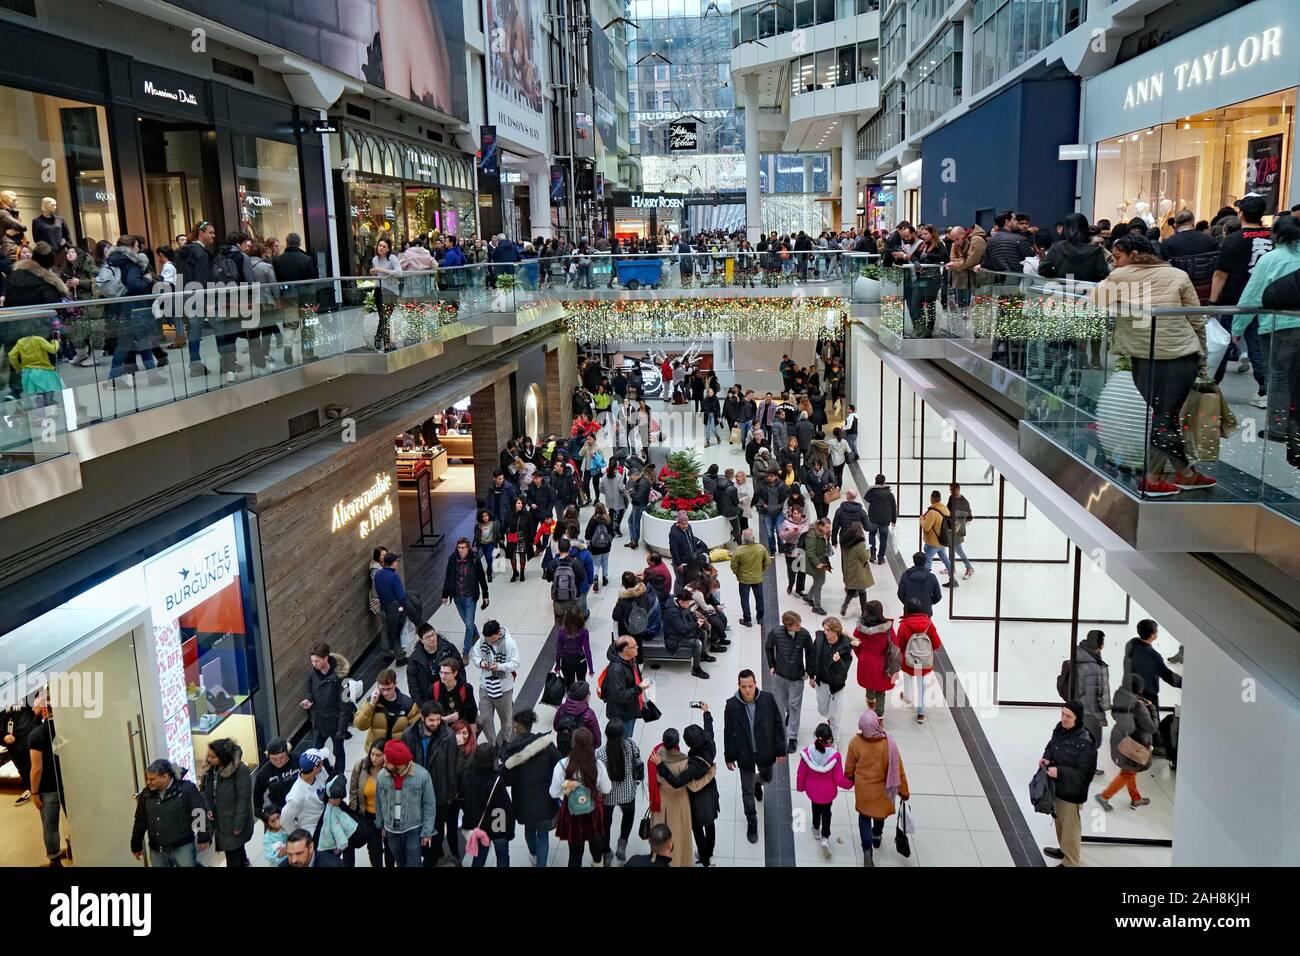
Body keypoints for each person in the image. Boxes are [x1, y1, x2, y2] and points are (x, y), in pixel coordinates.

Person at [1090, 233, 1211, 497]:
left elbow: (1095, 301)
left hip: (1143, 357)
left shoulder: (1119, 277)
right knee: (1165, 416)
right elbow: (1196, 320)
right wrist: (1203, 358)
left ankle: (1170, 475)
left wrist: (1119, 286)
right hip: (1182, 356)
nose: (1115, 262)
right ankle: (1169, 476)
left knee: (1163, 415)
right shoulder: (1177, 275)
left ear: (1133, 254)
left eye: (1118, 257)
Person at [1211, 194, 1271, 405]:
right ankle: (1264, 389)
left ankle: (1211, 385)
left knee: (1222, 342)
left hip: (1233, 300)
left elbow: (1221, 274)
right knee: (1258, 344)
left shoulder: (1234, 240)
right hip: (1266, 301)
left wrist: (1212, 301)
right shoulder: (1273, 238)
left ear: (1241, 213)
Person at [651, 709, 720, 867]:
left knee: (697, 829)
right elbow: (709, 729)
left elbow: (677, 782)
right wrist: (707, 713)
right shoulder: (710, 743)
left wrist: (660, 765)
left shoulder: (692, 765)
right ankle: (710, 851)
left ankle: (704, 857)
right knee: (710, 823)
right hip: (711, 792)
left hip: (698, 800)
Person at [724, 670, 786, 845]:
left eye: (750, 686)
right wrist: (729, 756)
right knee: (746, 792)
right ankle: (752, 821)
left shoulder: (767, 699)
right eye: (744, 687)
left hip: (765, 749)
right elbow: (729, 732)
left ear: (755, 683)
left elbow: (778, 724)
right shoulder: (732, 705)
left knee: (767, 777)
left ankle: (757, 781)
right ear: (739, 686)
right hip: (744, 754)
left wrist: (781, 751)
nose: (747, 690)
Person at [844, 710, 909, 866]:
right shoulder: (889, 744)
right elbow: (898, 769)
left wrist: (850, 777)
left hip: (864, 791)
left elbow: (849, 769)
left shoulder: (855, 743)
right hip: (883, 791)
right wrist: (904, 792)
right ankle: (877, 835)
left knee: (864, 817)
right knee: (878, 815)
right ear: (877, 724)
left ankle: (867, 850)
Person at [1039, 702, 1098, 867]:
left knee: (1070, 827)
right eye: (1062, 714)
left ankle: (1071, 862)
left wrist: (1060, 772)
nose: (1064, 718)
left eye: (1068, 716)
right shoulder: (1060, 728)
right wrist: (1047, 757)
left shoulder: (1085, 741)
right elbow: (1052, 745)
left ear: (1077, 718)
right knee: (1059, 822)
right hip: (1057, 787)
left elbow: (1085, 774)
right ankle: (1064, 849)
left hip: (1071, 793)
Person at [402, 701, 460, 865]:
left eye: (438, 720)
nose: (435, 723)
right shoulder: (409, 735)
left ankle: (433, 858)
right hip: (415, 793)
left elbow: (451, 766)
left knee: (437, 831)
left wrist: (450, 794)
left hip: (439, 795)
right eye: (431, 720)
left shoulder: (447, 736)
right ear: (422, 717)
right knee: (417, 830)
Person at [501, 708, 561, 867]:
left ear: (517, 727)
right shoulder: (546, 744)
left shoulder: (510, 750)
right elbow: (559, 765)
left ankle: (534, 854)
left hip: (523, 801)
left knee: (529, 830)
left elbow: (507, 780)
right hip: (545, 800)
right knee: (543, 835)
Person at [549, 726, 612, 867]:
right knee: (596, 843)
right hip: (593, 811)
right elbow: (607, 789)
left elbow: (554, 792)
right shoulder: (598, 766)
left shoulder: (561, 766)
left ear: (572, 744)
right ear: (591, 744)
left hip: (572, 813)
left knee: (575, 854)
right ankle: (597, 863)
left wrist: (568, 790)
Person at [1095, 673, 1157, 813]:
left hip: (1119, 737)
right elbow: (1151, 727)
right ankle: (1104, 797)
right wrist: (1152, 709)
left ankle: (1136, 798)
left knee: (1129, 771)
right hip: (1135, 744)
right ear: (1139, 689)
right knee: (1128, 773)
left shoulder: (1119, 696)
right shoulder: (1139, 707)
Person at [131, 758, 209, 866]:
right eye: (147, 779)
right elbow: (140, 821)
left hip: (183, 847)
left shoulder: (186, 789)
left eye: (152, 779)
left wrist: (203, 837)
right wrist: (136, 844)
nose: (148, 782)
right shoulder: (146, 794)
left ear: (165, 777)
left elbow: (199, 812)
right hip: (158, 850)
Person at [796, 723, 854, 859]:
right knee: (827, 813)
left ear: (816, 736)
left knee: (815, 808)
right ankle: (825, 838)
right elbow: (839, 779)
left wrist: (800, 786)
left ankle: (815, 829)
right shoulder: (835, 756)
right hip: (828, 794)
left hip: (812, 791)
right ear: (830, 739)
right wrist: (850, 783)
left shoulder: (807, 752)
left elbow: (801, 772)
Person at [375, 739, 437, 867]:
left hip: (413, 829)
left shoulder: (422, 776)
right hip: (391, 830)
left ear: (398, 763)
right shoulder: (382, 776)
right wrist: (381, 824)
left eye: (387, 761)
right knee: (400, 862)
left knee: (413, 863)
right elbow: (379, 801)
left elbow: (429, 805)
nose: (384, 763)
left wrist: (427, 831)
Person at [200, 739, 254, 867]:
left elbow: (243, 799)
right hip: (220, 820)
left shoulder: (240, 771)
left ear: (223, 757)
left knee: (232, 854)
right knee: (236, 849)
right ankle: (244, 861)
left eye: (213, 756)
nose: (208, 759)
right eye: (208, 755)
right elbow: (203, 789)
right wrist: (208, 808)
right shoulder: (209, 770)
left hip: (232, 820)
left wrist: (238, 824)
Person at [765, 611, 813, 754]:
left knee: (794, 706)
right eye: (796, 624)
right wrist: (771, 665)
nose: (800, 626)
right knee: (784, 702)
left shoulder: (804, 635)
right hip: (780, 675)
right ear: (788, 626)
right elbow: (768, 647)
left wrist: (811, 674)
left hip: (797, 677)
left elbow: (810, 653)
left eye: (800, 622)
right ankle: (788, 715)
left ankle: (792, 737)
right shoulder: (776, 633)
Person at [596, 717, 642, 863]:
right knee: (628, 816)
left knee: (605, 823)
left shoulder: (601, 753)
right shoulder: (631, 745)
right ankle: (622, 844)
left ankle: (606, 853)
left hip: (607, 795)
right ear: (623, 734)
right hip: (628, 792)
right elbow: (637, 763)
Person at [301, 642, 351, 775]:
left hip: (335, 723)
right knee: (315, 751)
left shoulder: (341, 678)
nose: (314, 664)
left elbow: (345, 706)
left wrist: (341, 730)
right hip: (319, 722)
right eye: (312, 661)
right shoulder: (312, 674)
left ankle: (339, 775)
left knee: (338, 751)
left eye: (316, 661)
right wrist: (308, 700)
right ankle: (328, 771)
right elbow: (310, 692)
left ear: (325, 658)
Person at [460, 742, 513, 867]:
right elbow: (505, 806)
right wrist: (510, 829)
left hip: (478, 823)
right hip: (498, 822)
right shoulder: (496, 780)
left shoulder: (467, 775)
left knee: (479, 856)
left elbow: (465, 801)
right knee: (503, 856)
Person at [474, 619, 521, 747]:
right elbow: (475, 655)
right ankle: (492, 744)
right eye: (486, 638)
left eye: (491, 638)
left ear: (498, 632)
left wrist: (500, 666)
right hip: (486, 686)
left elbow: (516, 663)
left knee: (506, 719)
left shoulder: (510, 643)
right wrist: (480, 663)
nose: (488, 641)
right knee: (485, 718)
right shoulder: (482, 641)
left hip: (503, 688)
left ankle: (506, 741)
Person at [895, 598, 941, 723]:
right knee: (922, 686)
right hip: (924, 662)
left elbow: (899, 644)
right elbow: (937, 644)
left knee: (908, 678)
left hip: (909, 661)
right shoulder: (929, 624)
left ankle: (907, 697)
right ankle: (921, 713)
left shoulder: (904, 625)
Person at [442, 537, 490, 654]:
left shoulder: (474, 560)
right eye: (459, 547)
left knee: (468, 624)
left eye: (463, 548)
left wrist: (485, 595)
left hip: (470, 597)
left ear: (468, 548)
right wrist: (445, 594)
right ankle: (476, 635)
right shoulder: (452, 560)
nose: (460, 550)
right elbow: (448, 578)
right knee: (466, 621)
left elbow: (481, 578)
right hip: (458, 597)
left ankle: (465, 651)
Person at [1071, 630, 1111, 770]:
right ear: (1099, 644)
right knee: (1093, 742)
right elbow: (1093, 697)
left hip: (1079, 706)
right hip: (1089, 711)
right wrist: (1101, 717)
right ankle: (1087, 768)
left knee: (1082, 739)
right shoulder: (1092, 667)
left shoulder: (1082, 654)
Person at [809, 615, 854, 739]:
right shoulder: (819, 640)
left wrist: (838, 661)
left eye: (828, 630)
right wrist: (811, 676)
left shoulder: (845, 646)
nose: (825, 632)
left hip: (837, 686)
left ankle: (835, 740)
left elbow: (845, 670)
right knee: (822, 710)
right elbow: (812, 658)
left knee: (835, 716)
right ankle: (830, 717)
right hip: (821, 682)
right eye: (824, 629)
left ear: (836, 631)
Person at [348, 741, 390, 868]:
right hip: (367, 817)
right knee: (374, 849)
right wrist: (354, 814)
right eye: (372, 754)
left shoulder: (391, 769)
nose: (374, 758)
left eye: (378, 755)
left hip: (386, 816)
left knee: (390, 849)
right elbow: (353, 790)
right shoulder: (361, 766)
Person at [852, 601, 897, 719]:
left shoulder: (860, 627)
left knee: (869, 681)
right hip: (882, 662)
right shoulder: (887, 629)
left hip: (865, 660)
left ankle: (870, 698)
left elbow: (855, 643)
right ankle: (879, 716)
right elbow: (894, 644)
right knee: (881, 690)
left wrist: (862, 656)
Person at [1123, 619, 1182, 710]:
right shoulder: (1154, 656)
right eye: (1156, 631)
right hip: (1148, 698)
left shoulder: (1131, 643)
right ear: (1152, 635)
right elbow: (1168, 676)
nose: (1157, 632)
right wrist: (1185, 683)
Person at [601, 635, 651, 740]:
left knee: (628, 736)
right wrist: (638, 689)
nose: (637, 647)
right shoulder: (616, 669)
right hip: (622, 714)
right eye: (634, 646)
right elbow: (619, 695)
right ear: (626, 651)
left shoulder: (631, 659)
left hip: (630, 707)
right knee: (623, 740)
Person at [407, 623, 463, 708]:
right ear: (421, 640)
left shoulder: (448, 648)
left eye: (433, 634)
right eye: (427, 637)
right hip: (430, 698)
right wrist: (422, 706)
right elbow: (413, 687)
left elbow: (460, 668)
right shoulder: (415, 659)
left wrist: (461, 688)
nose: (432, 638)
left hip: (451, 692)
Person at [664, 589, 716, 679]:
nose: (688, 605)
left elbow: (689, 615)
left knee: (703, 633)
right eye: (687, 603)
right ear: (680, 601)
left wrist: (696, 620)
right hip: (674, 637)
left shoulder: (682, 605)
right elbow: (681, 628)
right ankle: (696, 669)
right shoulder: (672, 612)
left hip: (682, 631)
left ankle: (703, 655)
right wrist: (696, 625)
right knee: (697, 643)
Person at [373, 552, 414, 663]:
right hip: (395, 608)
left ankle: (386, 653)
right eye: (396, 561)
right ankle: (400, 656)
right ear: (392, 563)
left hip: (383, 607)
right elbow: (401, 595)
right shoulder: (394, 576)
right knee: (395, 632)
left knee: (385, 631)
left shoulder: (378, 574)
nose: (397, 563)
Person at [279, 748, 331, 835]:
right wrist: (301, 837)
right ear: (315, 768)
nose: (323, 763)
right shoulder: (296, 796)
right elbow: (285, 822)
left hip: (328, 822)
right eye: (322, 761)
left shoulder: (321, 772)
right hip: (314, 834)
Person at [730, 528, 772, 628]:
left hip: (744, 579)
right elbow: (768, 562)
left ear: (743, 538)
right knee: (759, 598)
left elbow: (733, 565)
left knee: (745, 600)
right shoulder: (761, 548)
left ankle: (747, 620)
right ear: (753, 537)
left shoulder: (739, 550)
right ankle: (760, 618)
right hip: (757, 578)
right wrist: (761, 570)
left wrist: (738, 574)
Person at [921, 489, 957, 585]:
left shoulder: (932, 512)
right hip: (942, 540)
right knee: (946, 560)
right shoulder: (944, 509)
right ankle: (953, 579)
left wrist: (921, 520)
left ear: (932, 498)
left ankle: (924, 582)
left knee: (927, 561)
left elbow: (926, 527)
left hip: (933, 542)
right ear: (940, 499)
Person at [839, 520, 874, 617]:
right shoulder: (859, 543)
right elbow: (865, 557)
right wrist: (868, 550)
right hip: (859, 570)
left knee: (852, 589)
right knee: (862, 591)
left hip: (849, 569)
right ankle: (864, 611)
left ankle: (845, 605)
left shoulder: (845, 541)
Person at [554, 608, 595, 687]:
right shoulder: (584, 631)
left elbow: (559, 650)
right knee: (581, 682)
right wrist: (591, 668)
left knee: (569, 683)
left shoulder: (561, 631)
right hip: (580, 660)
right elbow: (587, 650)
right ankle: (582, 697)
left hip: (566, 660)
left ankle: (570, 697)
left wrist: (557, 666)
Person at [802, 517, 833, 615]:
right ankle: (817, 606)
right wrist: (817, 563)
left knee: (821, 581)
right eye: (827, 527)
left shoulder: (824, 533)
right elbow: (810, 552)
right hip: (814, 563)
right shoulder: (812, 535)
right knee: (819, 583)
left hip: (822, 560)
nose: (829, 529)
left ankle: (809, 597)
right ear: (820, 526)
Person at [897, 551, 942, 616]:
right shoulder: (932, 577)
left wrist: (908, 603)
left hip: (909, 611)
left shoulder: (905, 575)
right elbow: (938, 596)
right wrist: (929, 602)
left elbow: (900, 594)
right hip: (926, 611)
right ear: (925, 561)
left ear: (914, 561)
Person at [945, 483, 975, 580]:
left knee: (958, 549)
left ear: (958, 489)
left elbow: (969, 516)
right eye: (950, 490)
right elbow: (947, 510)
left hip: (958, 529)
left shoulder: (964, 502)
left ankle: (969, 568)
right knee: (951, 548)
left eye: (953, 491)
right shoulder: (951, 498)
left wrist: (956, 515)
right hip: (950, 527)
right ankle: (951, 568)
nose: (951, 492)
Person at [584, 502, 615, 591]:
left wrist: (588, 544)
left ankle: (595, 579)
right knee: (605, 562)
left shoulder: (593, 520)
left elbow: (588, 534)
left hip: (595, 547)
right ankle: (605, 578)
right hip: (606, 546)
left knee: (596, 564)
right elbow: (611, 532)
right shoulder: (608, 519)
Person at [502, 497, 534, 582]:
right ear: (514, 504)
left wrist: (531, 537)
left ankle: (522, 572)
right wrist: (500, 535)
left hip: (522, 537)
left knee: (522, 554)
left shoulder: (527, 514)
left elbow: (531, 526)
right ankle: (514, 572)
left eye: (521, 503)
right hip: (512, 537)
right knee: (512, 555)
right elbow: (505, 525)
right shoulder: (508, 513)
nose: (520, 505)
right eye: (518, 503)